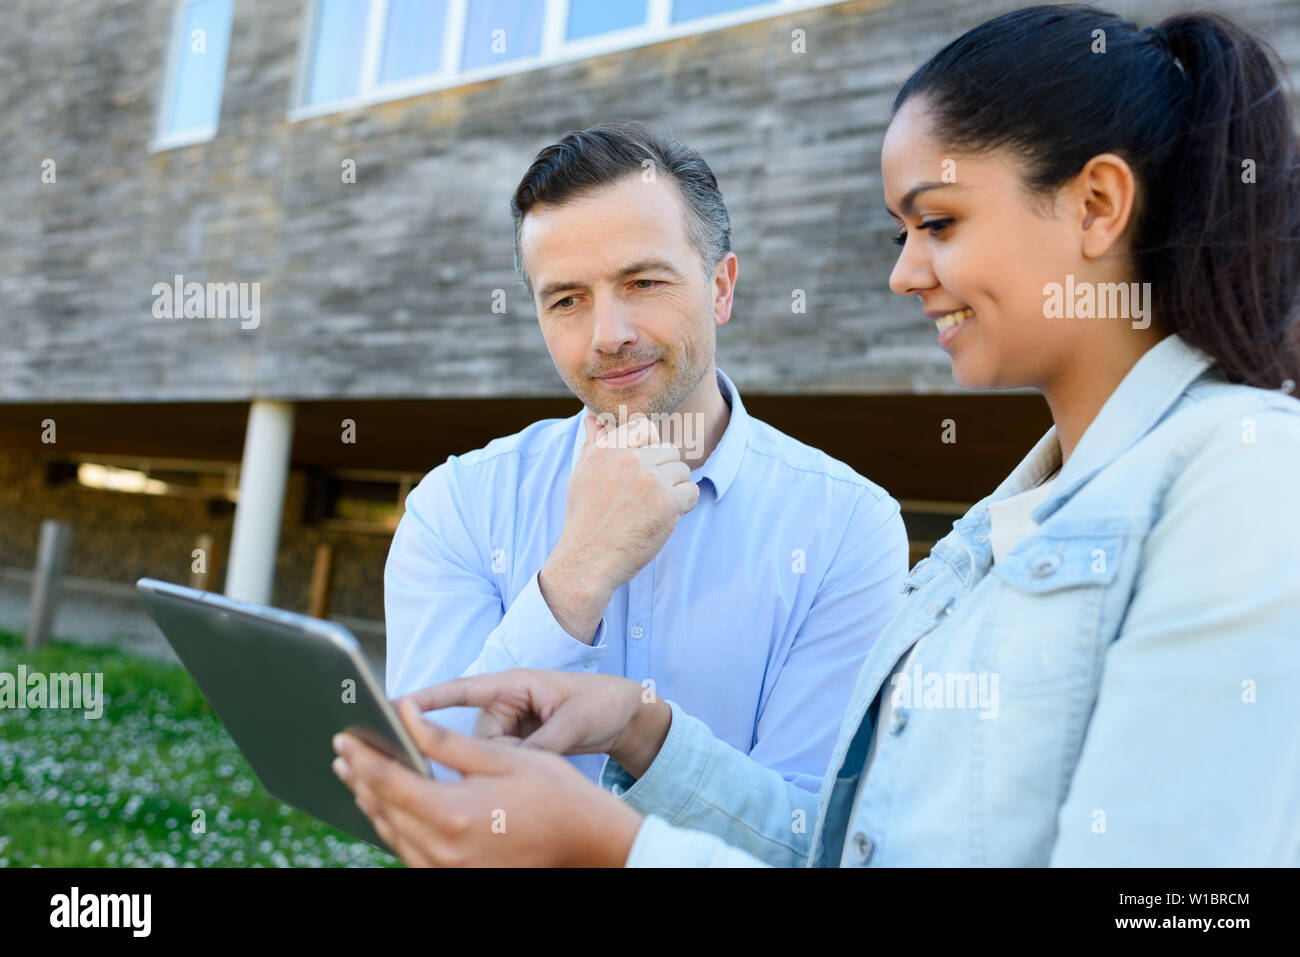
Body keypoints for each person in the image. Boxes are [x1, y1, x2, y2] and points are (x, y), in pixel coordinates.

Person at [335, 5, 1300, 866]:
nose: (906, 274)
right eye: (901, 233)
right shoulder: (999, 531)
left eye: (939, 222)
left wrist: (618, 846)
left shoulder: (1244, 481)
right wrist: (640, 723)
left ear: (1096, 205)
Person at [383, 121, 909, 789]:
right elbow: (434, 790)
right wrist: (577, 573)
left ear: (720, 288)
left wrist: (643, 740)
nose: (609, 336)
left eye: (643, 283)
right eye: (567, 299)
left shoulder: (848, 527)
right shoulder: (453, 507)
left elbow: (804, 835)